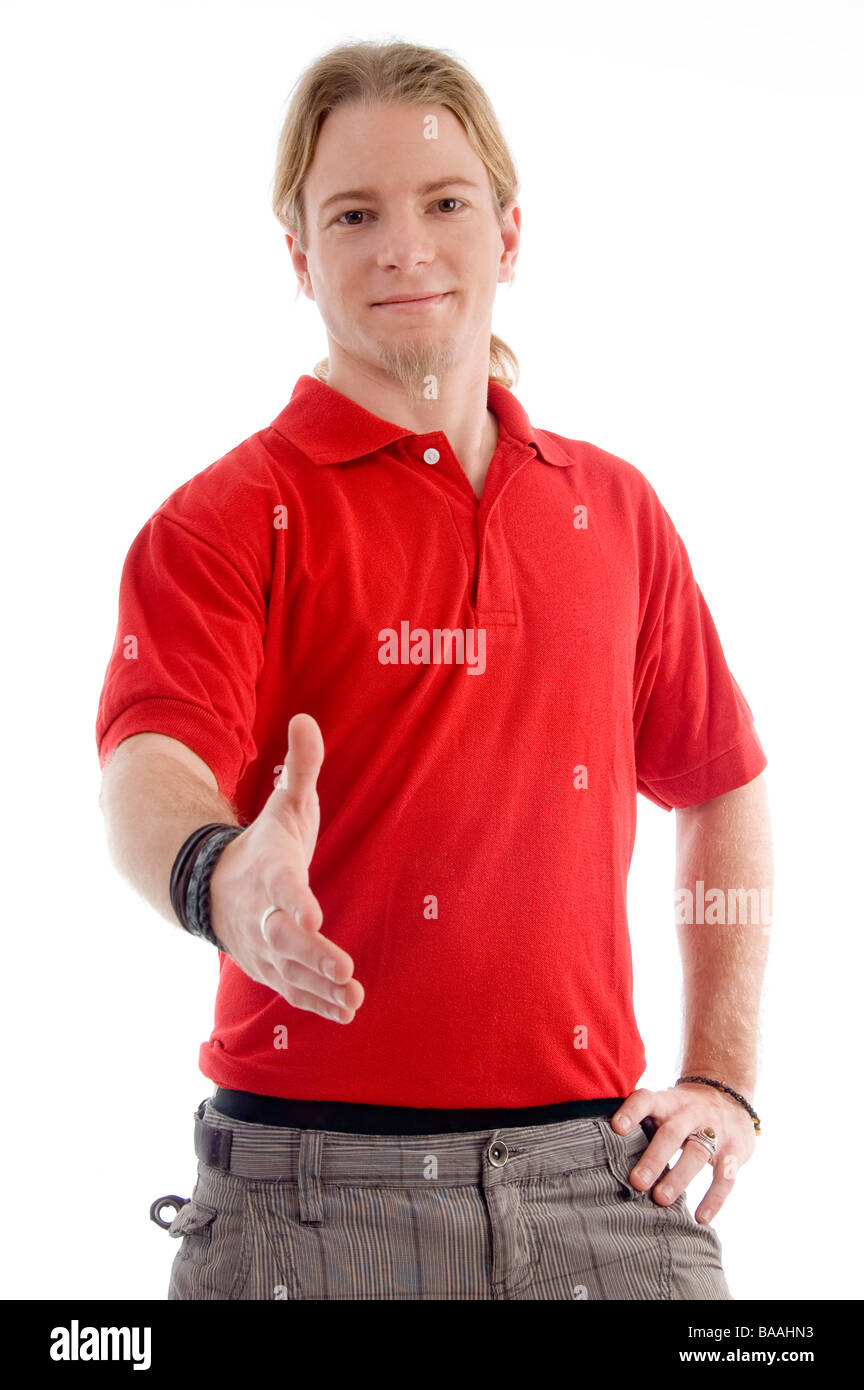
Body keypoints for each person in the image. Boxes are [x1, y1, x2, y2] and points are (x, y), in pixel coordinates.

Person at [96, 39, 772, 1301]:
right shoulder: (219, 523)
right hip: (308, 1208)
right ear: (299, 255)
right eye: (354, 213)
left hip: (603, 1189)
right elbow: (148, 761)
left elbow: (721, 783)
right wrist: (220, 872)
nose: (404, 247)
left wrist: (723, 1071)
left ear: (510, 232)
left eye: (445, 202)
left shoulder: (615, 512)